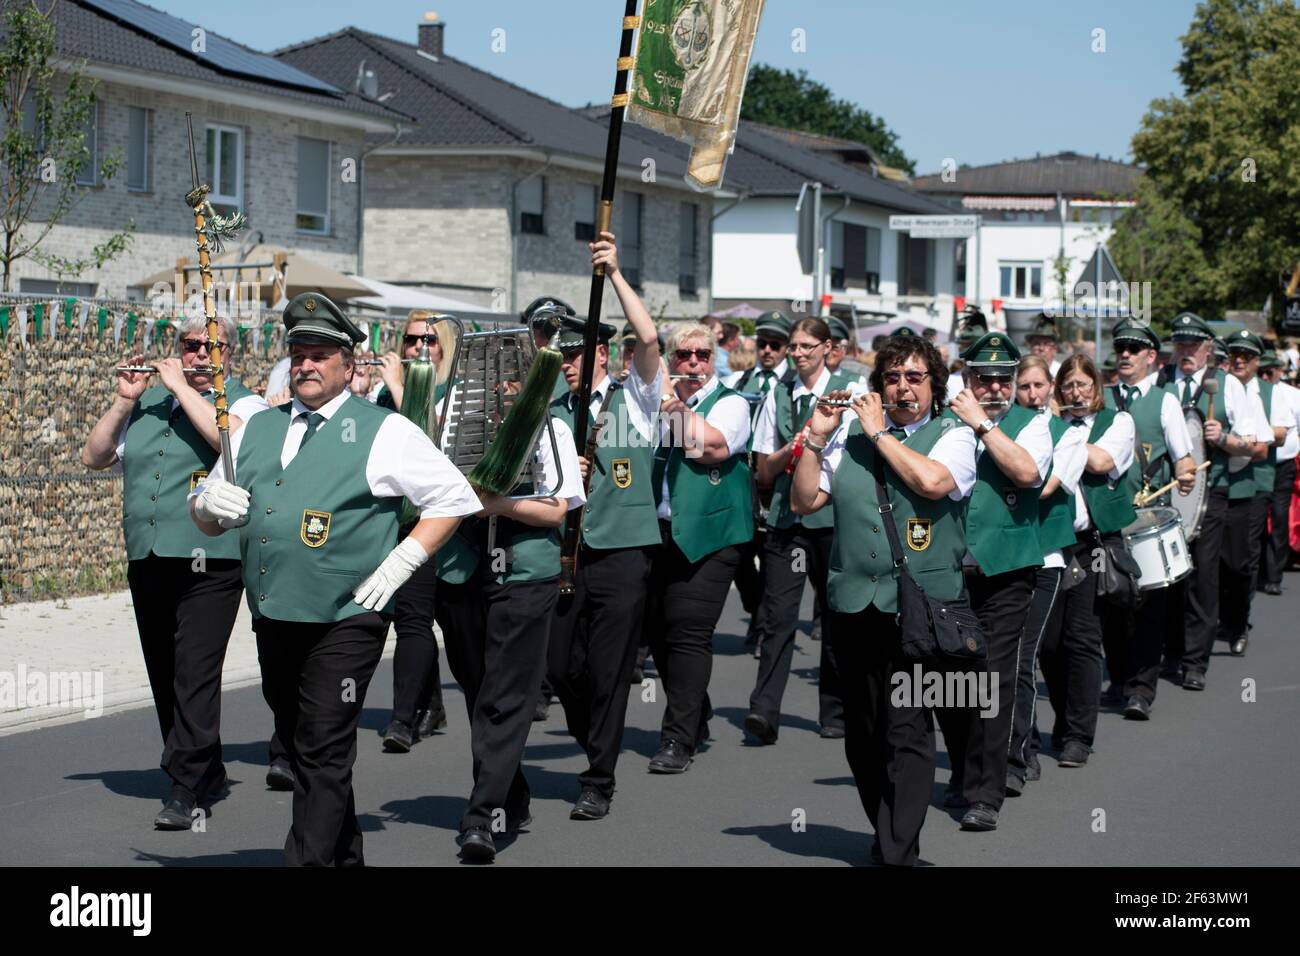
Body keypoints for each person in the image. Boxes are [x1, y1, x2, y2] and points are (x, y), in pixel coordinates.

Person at [188, 292, 481, 866]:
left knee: (324, 745)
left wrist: (401, 563)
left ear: (349, 365)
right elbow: (206, 512)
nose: (306, 364)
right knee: (302, 745)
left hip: (348, 615)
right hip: (275, 613)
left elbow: (454, 497)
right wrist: (206, 503)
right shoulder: (254, 428)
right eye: (298, 352)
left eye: (321, 353)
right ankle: (344, 858)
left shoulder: (383, 429)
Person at [790, 336, 978, 866]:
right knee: (864, 733)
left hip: (920, 608)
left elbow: (933, 481)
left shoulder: (954, 436)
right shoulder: (849, 438)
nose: (902, 387)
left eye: (914, 377)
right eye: (892, 377)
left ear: (934, 387)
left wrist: (879, 433)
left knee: (908, 729)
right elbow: (804, 502)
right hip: (854, 604)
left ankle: (899, 849)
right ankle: (888, 830)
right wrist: (815, 438)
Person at [82, 315, 268, 828]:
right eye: (190, 346)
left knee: (195, 671)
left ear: (229, 353)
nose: (200, 355)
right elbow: (93, 456)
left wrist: (184, 390)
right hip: (149, 555)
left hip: (213, 559)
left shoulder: (244, 402)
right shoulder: (147, 403)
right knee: (163, 670)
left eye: (212, 347)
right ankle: (204, 769)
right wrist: (125, 399)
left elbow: (228, 446)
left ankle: (185, 787)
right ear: (178, 349)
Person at [544, 236, 661, 820]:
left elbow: (649, 339)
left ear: (601, 356)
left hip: (622, 551)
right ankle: (594, 734)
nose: (565, 364)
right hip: (565, 553)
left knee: (611, 668)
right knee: (561, 664)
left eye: (575, 355)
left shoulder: (633, 396)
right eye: (560, 356)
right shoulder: (554, 413)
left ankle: (599, 777)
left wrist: (614, 273)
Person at [622, 317, 754, 773]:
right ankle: (695, 707)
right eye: (684, 355)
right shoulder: (653, 404)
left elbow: (709, 447)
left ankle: (677, 738)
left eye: (703, 355)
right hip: (656, 532)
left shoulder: (732, 403)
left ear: (714, 358)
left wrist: (667, 401)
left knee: (688, 633)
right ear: (671, 360)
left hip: (711, 537)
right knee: (655, 629)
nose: (694, 362)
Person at [944, 331, 1052, 833]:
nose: (993, 387)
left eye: (1002, 379)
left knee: (993, 678)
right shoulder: (947, 423)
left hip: (1007, 571)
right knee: (949, 680)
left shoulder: (1034, 425)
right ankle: (964, 769)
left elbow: (1027, 473)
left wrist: (983, 424)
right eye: (983, 378)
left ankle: (987, 791)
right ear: (967, 378)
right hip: (947, 570)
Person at [744, 317, 862, 744]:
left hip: (832, 517)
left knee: (836, 617)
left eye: (807, 345)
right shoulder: (779, 393)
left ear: (827, 348)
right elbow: (763, 470)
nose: (798, 352)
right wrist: (792, 447)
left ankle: (834, 710)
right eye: (794, 346)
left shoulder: (850, 389)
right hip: (786, 519)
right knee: (777, 619)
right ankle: (763, 710)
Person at [1038, 355, 1135, 771]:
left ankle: (1080, 734)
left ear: (1097, 387)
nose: (1076, 393)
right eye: (1068, 386)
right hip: (1050, 541)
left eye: (1083, 385)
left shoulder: (1118, 422)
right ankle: (1063, 721)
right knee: (1049, 642)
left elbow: (1100, 462)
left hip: (1091, 543)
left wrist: (1060, 428)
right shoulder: (1051, 423)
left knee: (1081, 639)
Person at [1162, 313, 1269, 690]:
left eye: (1193, 344)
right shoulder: (1162, 381)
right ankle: (1171, 652)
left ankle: (1195, 661)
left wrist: (1223, 439)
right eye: (1180, 343)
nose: (1185, 350)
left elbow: (1255, 445)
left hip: (1213, 494)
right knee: (1167, 578)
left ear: (1208, 349)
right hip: (1165, 494)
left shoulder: (1228, 387)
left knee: (1202, 577)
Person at [1100, 320, 1196, 720]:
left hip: (1145, 519)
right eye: (1121, 346)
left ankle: (1142, 688)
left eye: (1134, 349)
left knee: (1148, 606)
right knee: (1111, 603)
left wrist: (1187, 474)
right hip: (1104, 518)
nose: (1125, 354)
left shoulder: (1165, 401)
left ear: (1151, 358)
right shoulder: (1100, 397)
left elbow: (1184, 457)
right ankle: (1120, 678)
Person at [373, 311, 459, 751]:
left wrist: (395, 387)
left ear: (444, 347)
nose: (417, 348)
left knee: (413, 619)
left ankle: (402, 719)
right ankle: (432, 704)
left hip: (426, 522)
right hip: (383, 521)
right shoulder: (383, 395)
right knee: (384, 618)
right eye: (410, 340)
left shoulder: (453, 393)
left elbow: (427, 442)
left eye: (428, 341)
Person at [1005, 354, 1081, 795]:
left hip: (1046, 559)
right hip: (1003, 558)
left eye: (1038, 386)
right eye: (1024, 387)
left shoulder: (1067, 434)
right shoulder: (1004, 428)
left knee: (1022, 657)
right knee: (996, 660)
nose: (1031, 395)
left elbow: (1041, 484)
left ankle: (1024, 748)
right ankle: (1009, 744)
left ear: (1050, 388)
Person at [729, 312, 795, 652]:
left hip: (778, 479)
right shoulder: (741, 382)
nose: (768, 350)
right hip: (744, 479)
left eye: (776, 344)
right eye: (763, 343)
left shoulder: (792, 385)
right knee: (740, 554)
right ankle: (755, 609)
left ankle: (764, 626)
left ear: (786, 348)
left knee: (773, 558)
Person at [1220, 329, 1284, 656]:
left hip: (1255, 483)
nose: (1239, 360)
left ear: (1257, 361)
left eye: (1246, 356)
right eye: (1234, 355)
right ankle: (1220, 617)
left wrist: (1246, 436)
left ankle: (1239, 620)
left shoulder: (1271, 394)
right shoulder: (1217, 386)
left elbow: (1277, 437)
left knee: (1243, 558)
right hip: (1218, 484)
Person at [1257, 351, 1300, 595]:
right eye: (1262, 371)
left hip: (1283, 465)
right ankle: (1258, 571)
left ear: (1279, 371)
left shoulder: (1293, 396)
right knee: (1257, 517)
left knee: (1280, 517)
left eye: (1269, 371)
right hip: (1259, 463)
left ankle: (1274, 574)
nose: (1265, 375)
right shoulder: (1253, 393)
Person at [1024, 313, 1063, 379]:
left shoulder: (1062, 372)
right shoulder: (1022, 371)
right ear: (1031, 348)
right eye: (1036, 344)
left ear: (1055, 349)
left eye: (1046, 344)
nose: (1041, 348)